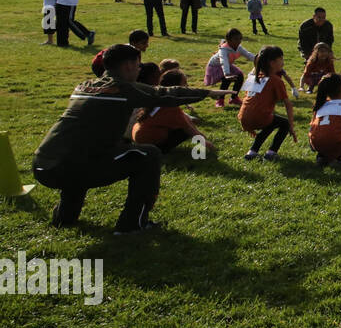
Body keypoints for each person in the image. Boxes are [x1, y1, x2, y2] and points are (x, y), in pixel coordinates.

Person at [32, 43, 221, 231]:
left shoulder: (84, 86)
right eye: (138, 65)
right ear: (128, 66)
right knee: (149, 155)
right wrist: (208, 93)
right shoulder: (122, 89)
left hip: (43, 164)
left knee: (81, 156)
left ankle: (65, 217)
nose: (139, 70)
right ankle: (132, 225)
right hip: (69, 166)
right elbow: (164, 93)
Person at [132, 69, 213, 157]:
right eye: (184, 84)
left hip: (140, 138)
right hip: (148, 143)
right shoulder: (170, 108)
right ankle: (160, 151)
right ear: (177, 87)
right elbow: (188, 128)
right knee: (183, 131)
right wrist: (207, 144)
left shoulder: (159, 97)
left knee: (185, 122)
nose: (187, 86)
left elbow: (186, 119)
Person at [239, 45, 296, 161]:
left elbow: (247, 101)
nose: (283, 62)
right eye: (281, 59)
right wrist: (291, 126)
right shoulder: (275, 80)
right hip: (259, 117)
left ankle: (252, 152)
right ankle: (271, 152)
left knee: (271, 121)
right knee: (284, 123)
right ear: (272, 63)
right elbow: (288, 104)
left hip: (243, 118)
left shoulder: (252, 77)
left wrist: (247, 124)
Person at [205, 28, 256, 107]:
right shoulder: (223, 50)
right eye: (236, 39)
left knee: (240, 76)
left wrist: (259, 59)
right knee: (227, 80)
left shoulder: (239, 47)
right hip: (216, 66)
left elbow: (248, 55)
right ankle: (220, 100)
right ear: (229, 40)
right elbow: (223, 61)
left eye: (240, 39)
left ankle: (234, 98)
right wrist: (227, 74)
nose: (239, 41)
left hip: (227, 65)